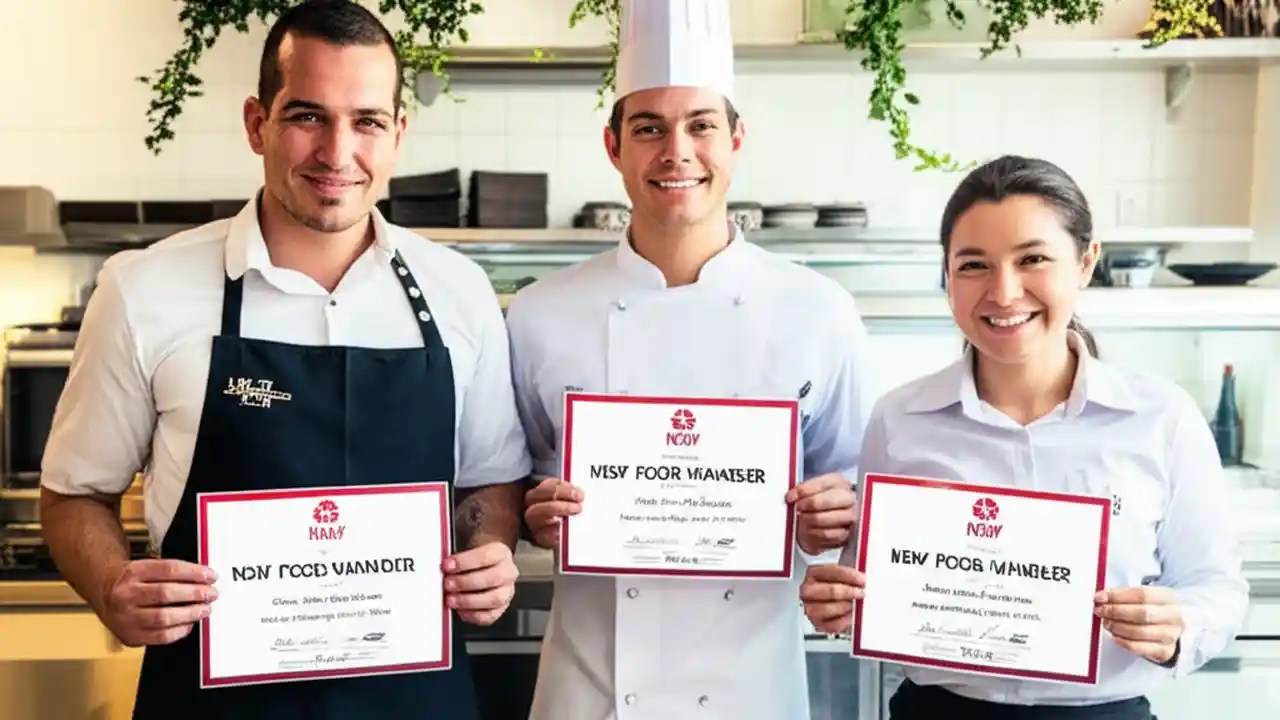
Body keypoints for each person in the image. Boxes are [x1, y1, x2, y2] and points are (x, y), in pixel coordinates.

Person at [37, 2, 531, 718]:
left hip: (416, 700)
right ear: (255, 123)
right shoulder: (144, 288)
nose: (337, 153)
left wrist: (490, 549)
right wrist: (112, 583)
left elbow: (491, 480)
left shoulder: (459, 291)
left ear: (397, 133)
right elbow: (74, 495)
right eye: (307, 117)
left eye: (365, 121)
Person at [503, 1, 877, 717]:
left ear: (736, 140)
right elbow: (506, 488)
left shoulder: (820, 312)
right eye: (649, 128)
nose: (676, 151)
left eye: (702, 125)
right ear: (613, 146)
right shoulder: (540, 314)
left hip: (752, 692)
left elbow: (859, 497)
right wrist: (531, 515)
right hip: (592, 694)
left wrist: (838, 516)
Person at [799, 155, 1250, 719]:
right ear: (947, 276)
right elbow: (863, 589)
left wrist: (1180, 625)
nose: (1004, 292)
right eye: (973, 266)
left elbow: (1217, 587)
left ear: (1086, 262)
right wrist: (835, 601)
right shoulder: (899, 419)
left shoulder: (1161, 418)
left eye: (1032, 259)